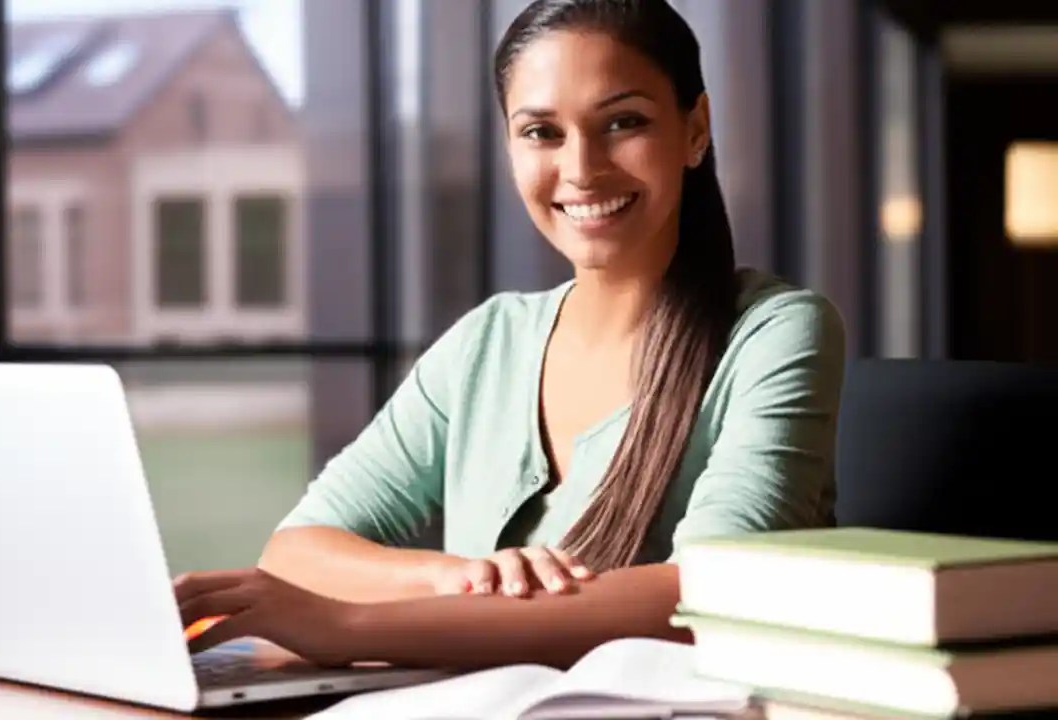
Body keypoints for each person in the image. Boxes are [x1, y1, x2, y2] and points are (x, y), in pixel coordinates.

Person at [174, 0, 845, 671]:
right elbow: (296, 553)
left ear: (694, 129)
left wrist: (351, 625)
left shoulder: (775, 334)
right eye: (541, 133)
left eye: (623, 122)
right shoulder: (488, 343)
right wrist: (460, 579)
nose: (581, 168)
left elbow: (715, 594)